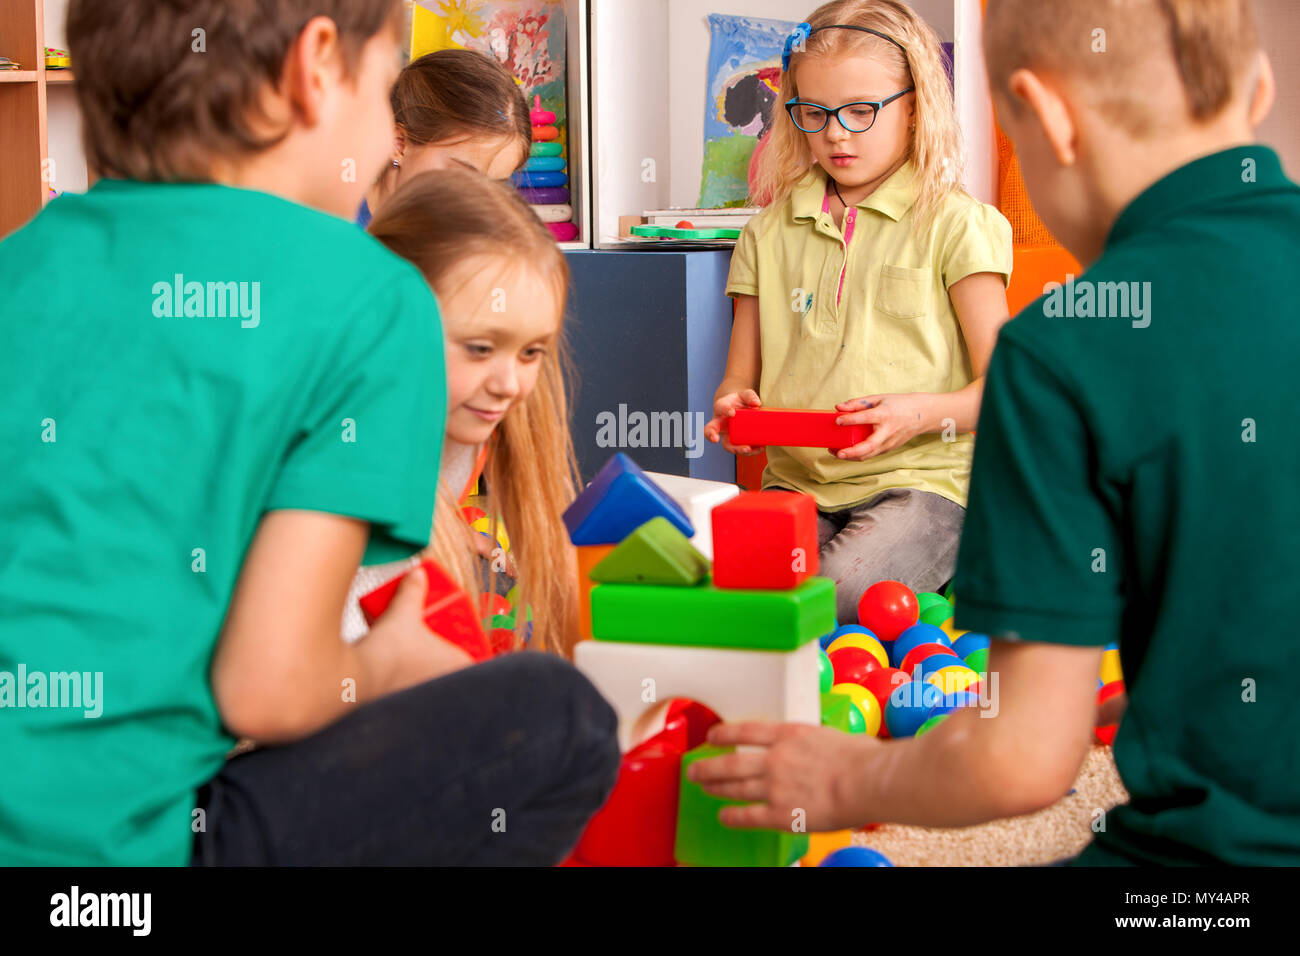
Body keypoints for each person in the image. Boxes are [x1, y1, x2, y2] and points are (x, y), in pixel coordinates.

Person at [0, 0, 617, 866]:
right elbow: (270, 688)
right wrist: (384, 667)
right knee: (560, 720)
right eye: (384, 87)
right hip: (125, 860)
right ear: (316, 66)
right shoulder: (367, 298)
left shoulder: (18, 264)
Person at [690, 0, 1300, 866]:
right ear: (1258, 86)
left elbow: (1021, 761)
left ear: (1042, 118)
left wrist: (850, 781)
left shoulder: (1062, 350)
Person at [705, 0, 1012, 621]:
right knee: (742, 587)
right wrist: (734, 404)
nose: (836, 133)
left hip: (923, 485)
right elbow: (740, 377)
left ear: (916, 106)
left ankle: (954, 572)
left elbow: (1009, 388)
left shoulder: (956, 225)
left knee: (836, 595)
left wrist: (917, 414)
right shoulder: (765, 234)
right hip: (797, 488)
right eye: (814, 113)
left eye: (861, 112)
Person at [344, 170, 582, 658]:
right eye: (478, 348)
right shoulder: (343, 455)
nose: (509, 384)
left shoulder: (468, 428)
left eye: (531, 352)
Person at [357, 49, 532, 226]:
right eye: (461, 177)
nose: (476, 205)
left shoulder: (483, 244)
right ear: (398, 144)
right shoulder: (338, 234)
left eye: (496, 187)